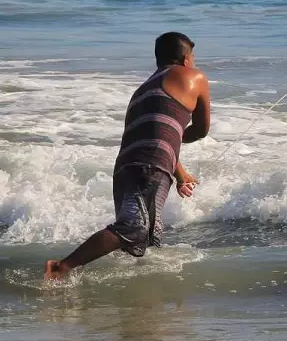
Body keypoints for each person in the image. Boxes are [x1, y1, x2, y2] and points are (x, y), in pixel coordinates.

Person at [44, 32, 211, 280]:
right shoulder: (193, 76)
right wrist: (180, 137)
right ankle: (61, 267)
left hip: (126, 167)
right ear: (186, 59)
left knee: (149, 239)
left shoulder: (144, 89)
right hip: (150, 165)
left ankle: (141, 308)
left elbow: (152, 131)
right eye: (193, 56)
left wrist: (180, 173)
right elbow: (201, 129)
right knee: (134, 228)